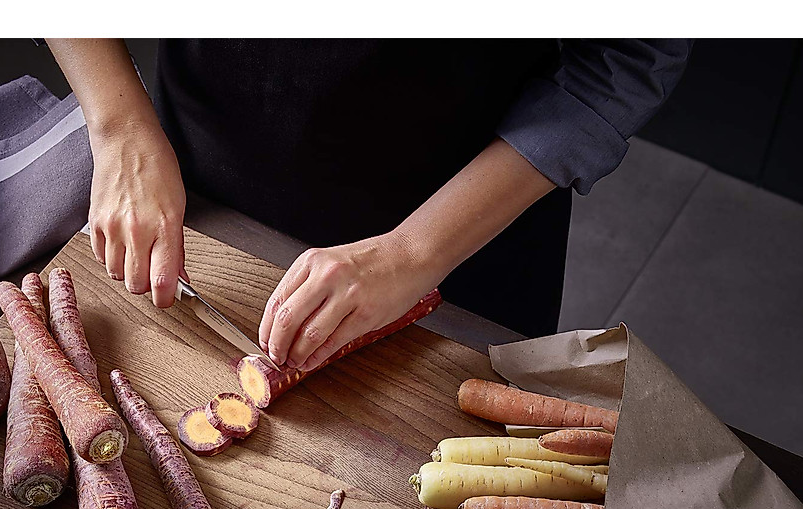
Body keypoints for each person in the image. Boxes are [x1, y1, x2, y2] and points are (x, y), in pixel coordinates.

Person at [47, 39, 690, 371]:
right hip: (202, 179)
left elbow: (627, 57)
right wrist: (120, 126)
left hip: (466, 224)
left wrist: (414, 251)